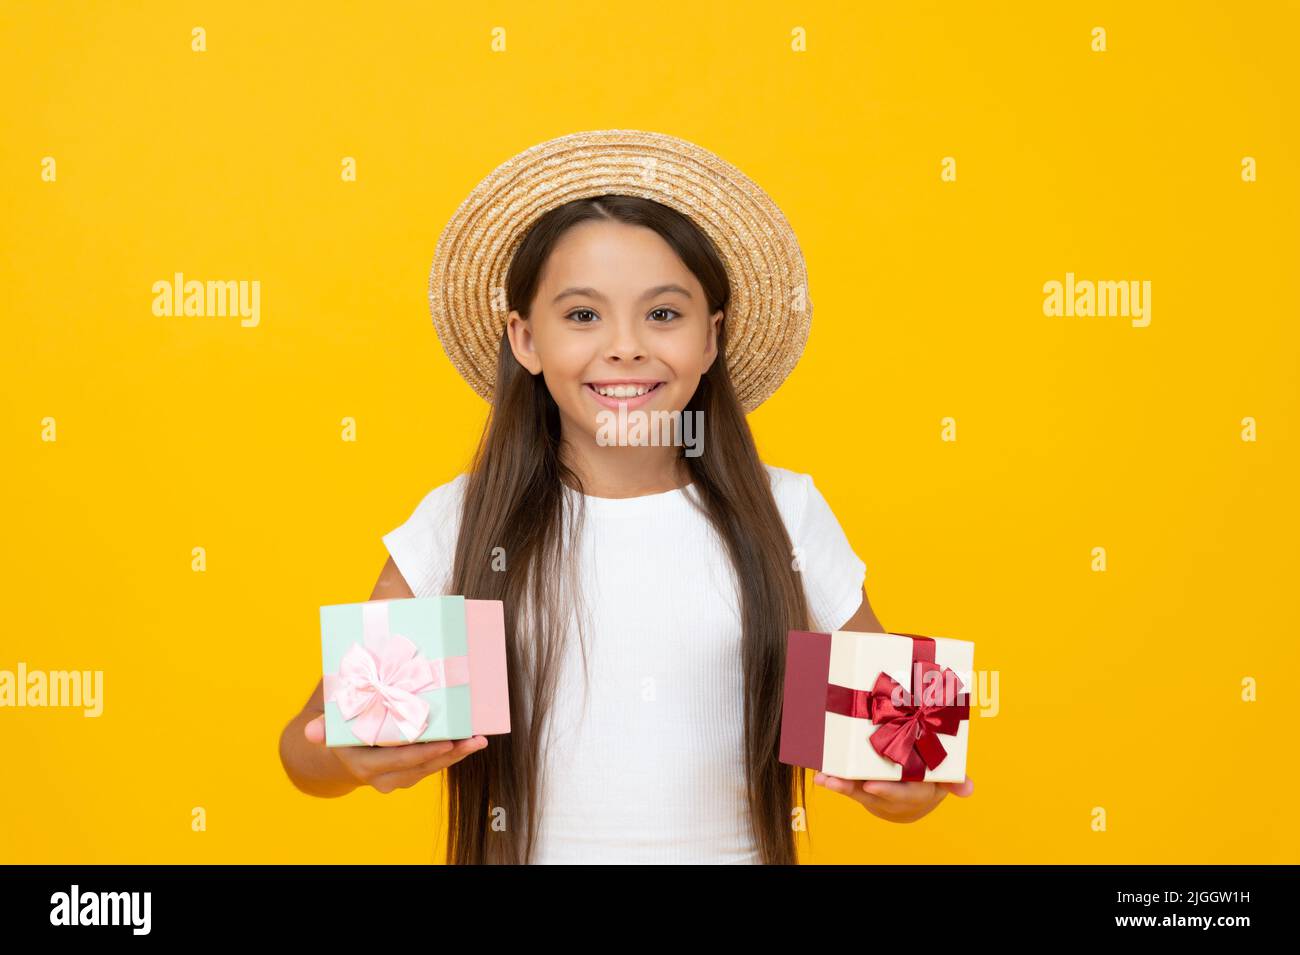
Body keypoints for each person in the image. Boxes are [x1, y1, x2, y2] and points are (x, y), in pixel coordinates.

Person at [279, 130, 973, 863]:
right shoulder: (464, 518)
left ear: (712, 339)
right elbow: (305, 749)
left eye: (663, 315)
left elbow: (897, 743)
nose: (625, 346)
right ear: (524, 338)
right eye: (583, 315)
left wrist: (911, 783)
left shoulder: (785, 512)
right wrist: (347, 758)